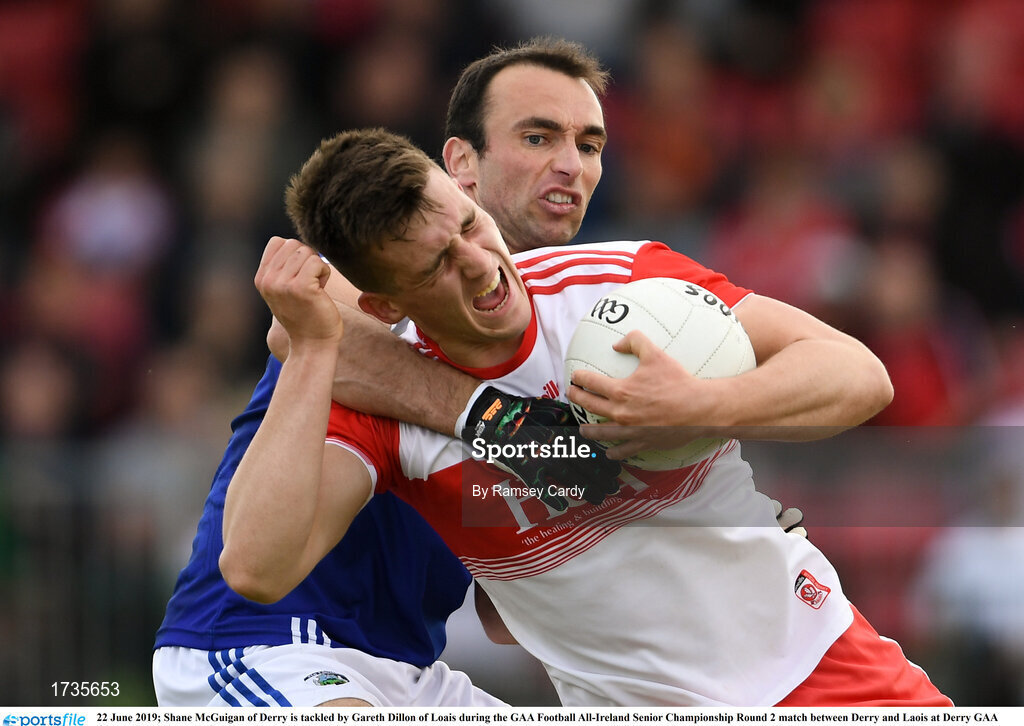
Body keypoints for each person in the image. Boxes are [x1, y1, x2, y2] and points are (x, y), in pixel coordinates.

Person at [153, 37, 799, 707]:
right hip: (269, 642)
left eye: (588, 145)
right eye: (538, 138)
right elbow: (304, 327)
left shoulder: (565, 335)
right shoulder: (379, 255)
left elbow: (507, 609)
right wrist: (502, 424)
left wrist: (705, 544)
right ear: (460, 163)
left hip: (412, 667)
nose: (568, 166)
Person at [221, 126, 953, 707]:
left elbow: (859, 375)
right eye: (437, 264)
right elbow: (256, 567)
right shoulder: (390, 411)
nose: (482, 264)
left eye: (471, 225)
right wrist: (313, 346)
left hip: (826, 668)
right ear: (383, 307)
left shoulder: (617, 284)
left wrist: (698, 406)